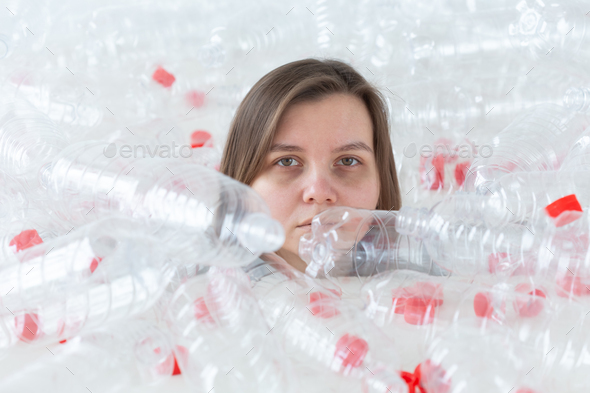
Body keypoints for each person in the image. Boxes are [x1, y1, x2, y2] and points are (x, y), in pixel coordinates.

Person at [220, 58, 402, 272]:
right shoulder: (193, 294)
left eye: (348, 161)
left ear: (381, 179)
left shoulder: (439, 285)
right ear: (240, 184)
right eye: (287, 161)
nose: (319, 192)